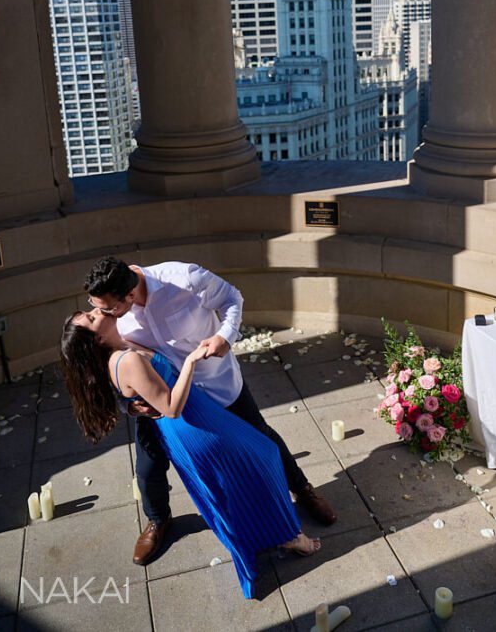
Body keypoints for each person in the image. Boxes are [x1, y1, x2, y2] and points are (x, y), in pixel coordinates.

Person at [83, 256, 336, 566]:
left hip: (217, 382)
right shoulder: (112, 317)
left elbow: (232, 297)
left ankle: (302, 488)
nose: (101, 313)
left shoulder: (183, 277)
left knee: (263, 438)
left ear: (130, 295)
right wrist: (126, 403)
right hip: (161, 399)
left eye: (108, 308)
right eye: (98, 308)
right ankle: (158, 520)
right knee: (149, 465)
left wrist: (224, 336)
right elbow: (107, 361)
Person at [60, 310, 320, 599]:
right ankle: (285, 536)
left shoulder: (122, 347)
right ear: (98, 338)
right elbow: (171, 407)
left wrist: (132, 402)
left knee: (248, 469)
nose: (97, 311)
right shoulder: (127, 359)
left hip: (196, 416)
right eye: (92, 317)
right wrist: (191, 362)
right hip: (191, 425)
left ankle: (269, 534)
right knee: (263, 457)